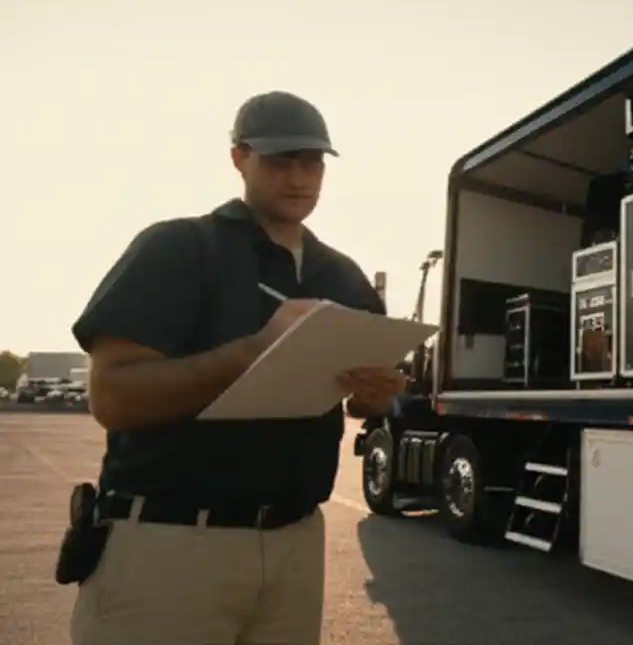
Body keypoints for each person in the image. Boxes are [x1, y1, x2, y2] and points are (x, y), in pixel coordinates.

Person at [66, 90, 407, 645]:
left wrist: (375, 395)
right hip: (170, 544)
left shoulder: (343, 277)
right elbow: (113, 398)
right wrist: (254, 350)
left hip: (296, 544)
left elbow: (360, 399)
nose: (299, 178)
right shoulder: (178, 248)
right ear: (238, 158)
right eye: (279, 161)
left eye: (312, 162)